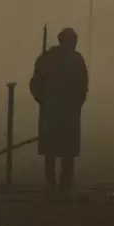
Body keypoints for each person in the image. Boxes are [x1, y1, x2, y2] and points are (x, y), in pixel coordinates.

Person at [30, 28, 88, 192]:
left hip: (53, 110)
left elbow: (35, 84)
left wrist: (43, 100)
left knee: (53, 150)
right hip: (66, 112)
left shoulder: (47, 58)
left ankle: (53, 184)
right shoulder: (76, 59)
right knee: (64, 151)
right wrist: (77, 104)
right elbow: (83, 87)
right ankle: (64, 184)